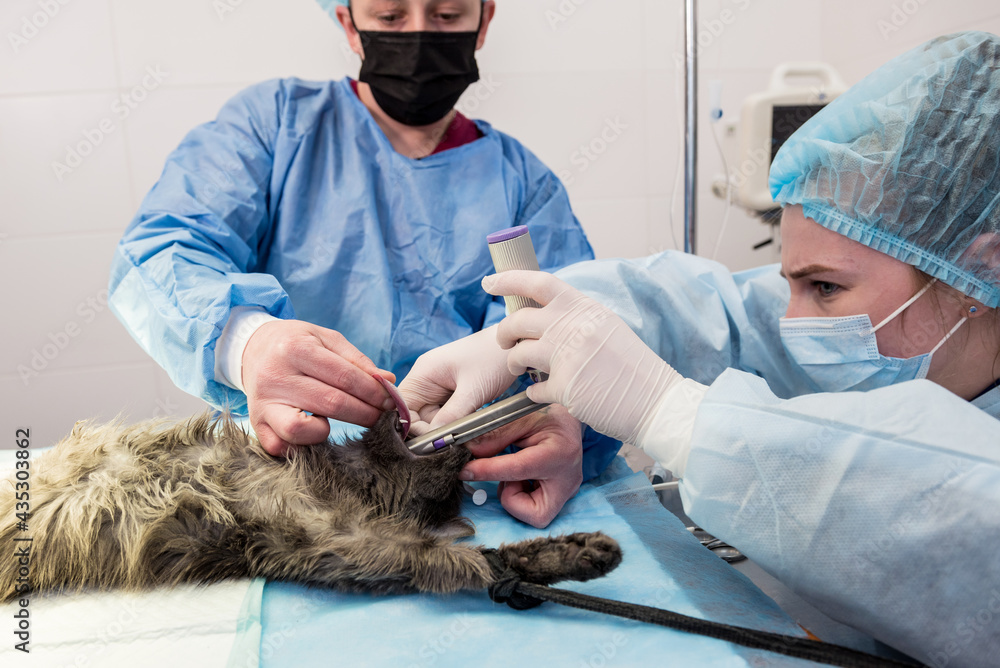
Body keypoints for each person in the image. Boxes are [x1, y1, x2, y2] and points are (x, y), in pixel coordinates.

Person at [399, 31, 1000, 666]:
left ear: (982, 268)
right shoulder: (905, 329)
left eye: (825, 287)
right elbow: (717, 312)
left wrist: (671, 413)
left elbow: (961, 509)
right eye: (792, 282)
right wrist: (531, 339)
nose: (794, 322)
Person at [108, 0, 621, 505]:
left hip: (470, 485)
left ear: (483, 20)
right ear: (350, 25)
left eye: (446, 15)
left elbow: (565, 327)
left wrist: (561, 415)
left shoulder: (523, 184)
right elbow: (162, 252)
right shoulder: (276, 125)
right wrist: (248, 342)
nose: (418, 36)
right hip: (290, 478)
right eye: (390, 16)